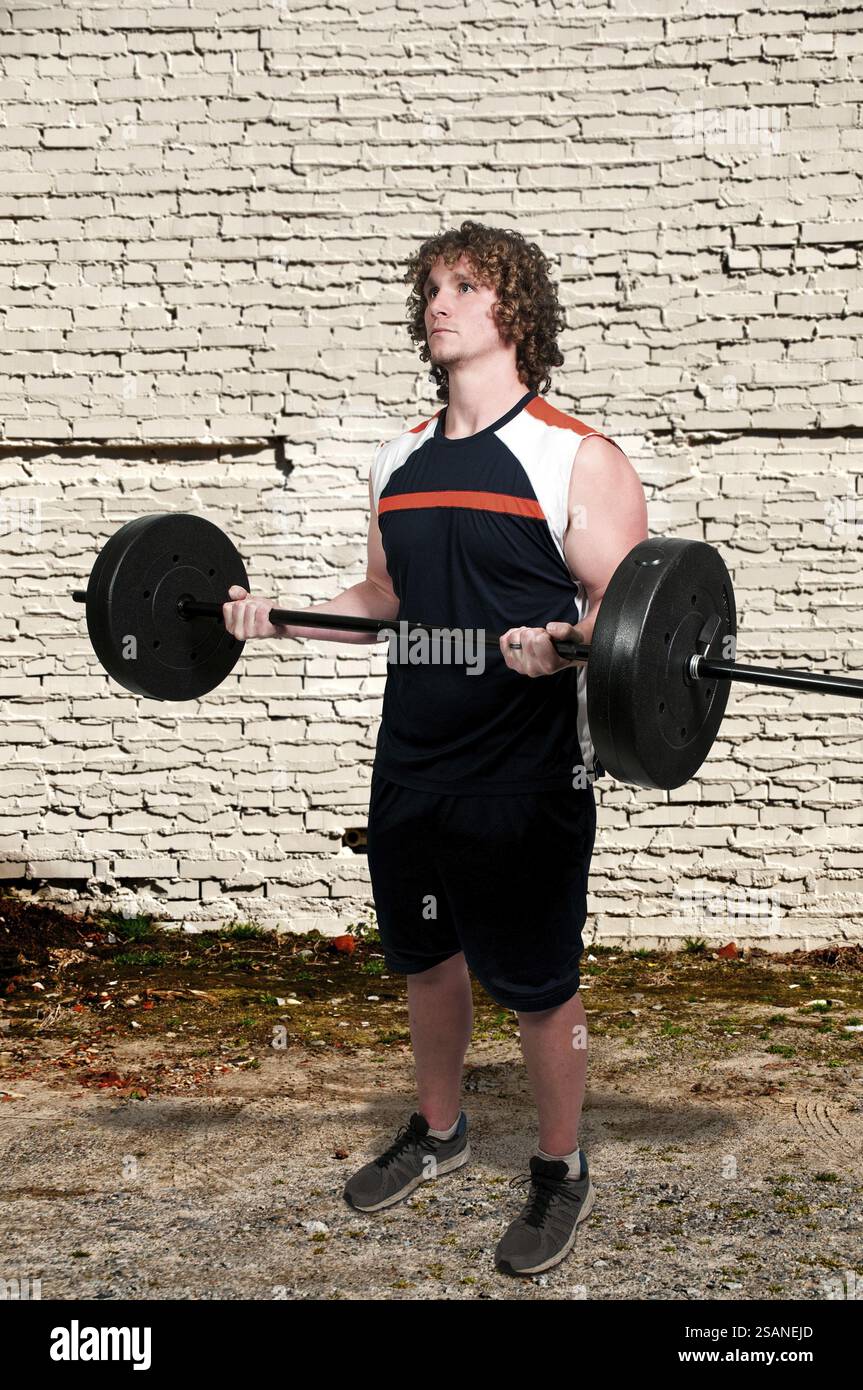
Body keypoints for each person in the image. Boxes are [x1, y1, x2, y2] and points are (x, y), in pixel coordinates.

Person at [221, 219, 648, 1277]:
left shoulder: (573, 456)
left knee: (538, 982)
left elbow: (629, 613)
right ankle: (441, 1128)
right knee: (424, 958)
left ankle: (558, 1165)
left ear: (513, 310)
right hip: (412, 761)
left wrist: (564, 643)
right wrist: (276, 617)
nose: (438, 302)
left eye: (464, 285)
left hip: (524, 771)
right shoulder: (399, 458)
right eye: (430, 287)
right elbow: (380, 600)